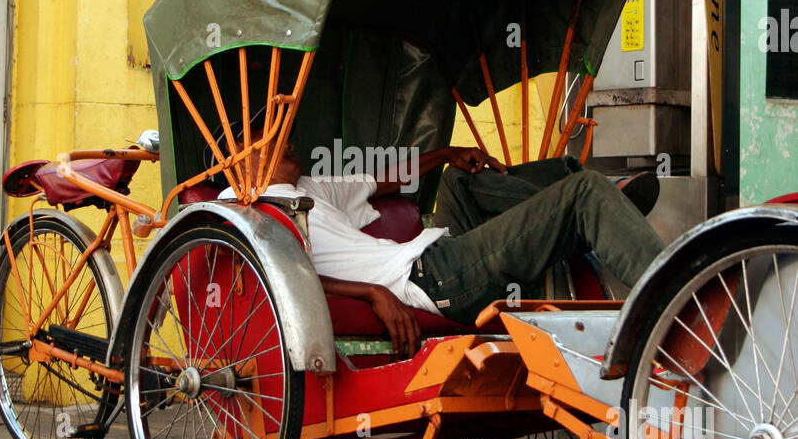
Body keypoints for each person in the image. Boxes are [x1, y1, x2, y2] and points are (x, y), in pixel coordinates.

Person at [261, 140, 665, 356]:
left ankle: (599, 206)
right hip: (432, 280)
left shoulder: (307, 188)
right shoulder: (247, 207)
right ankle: (674, 299)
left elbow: (382, 180)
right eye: (269, 133)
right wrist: (370, 291)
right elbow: (281, 277)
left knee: (457, 179)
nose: (288, 139)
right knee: (585, 192)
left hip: (438, 256)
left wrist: (443, 153)